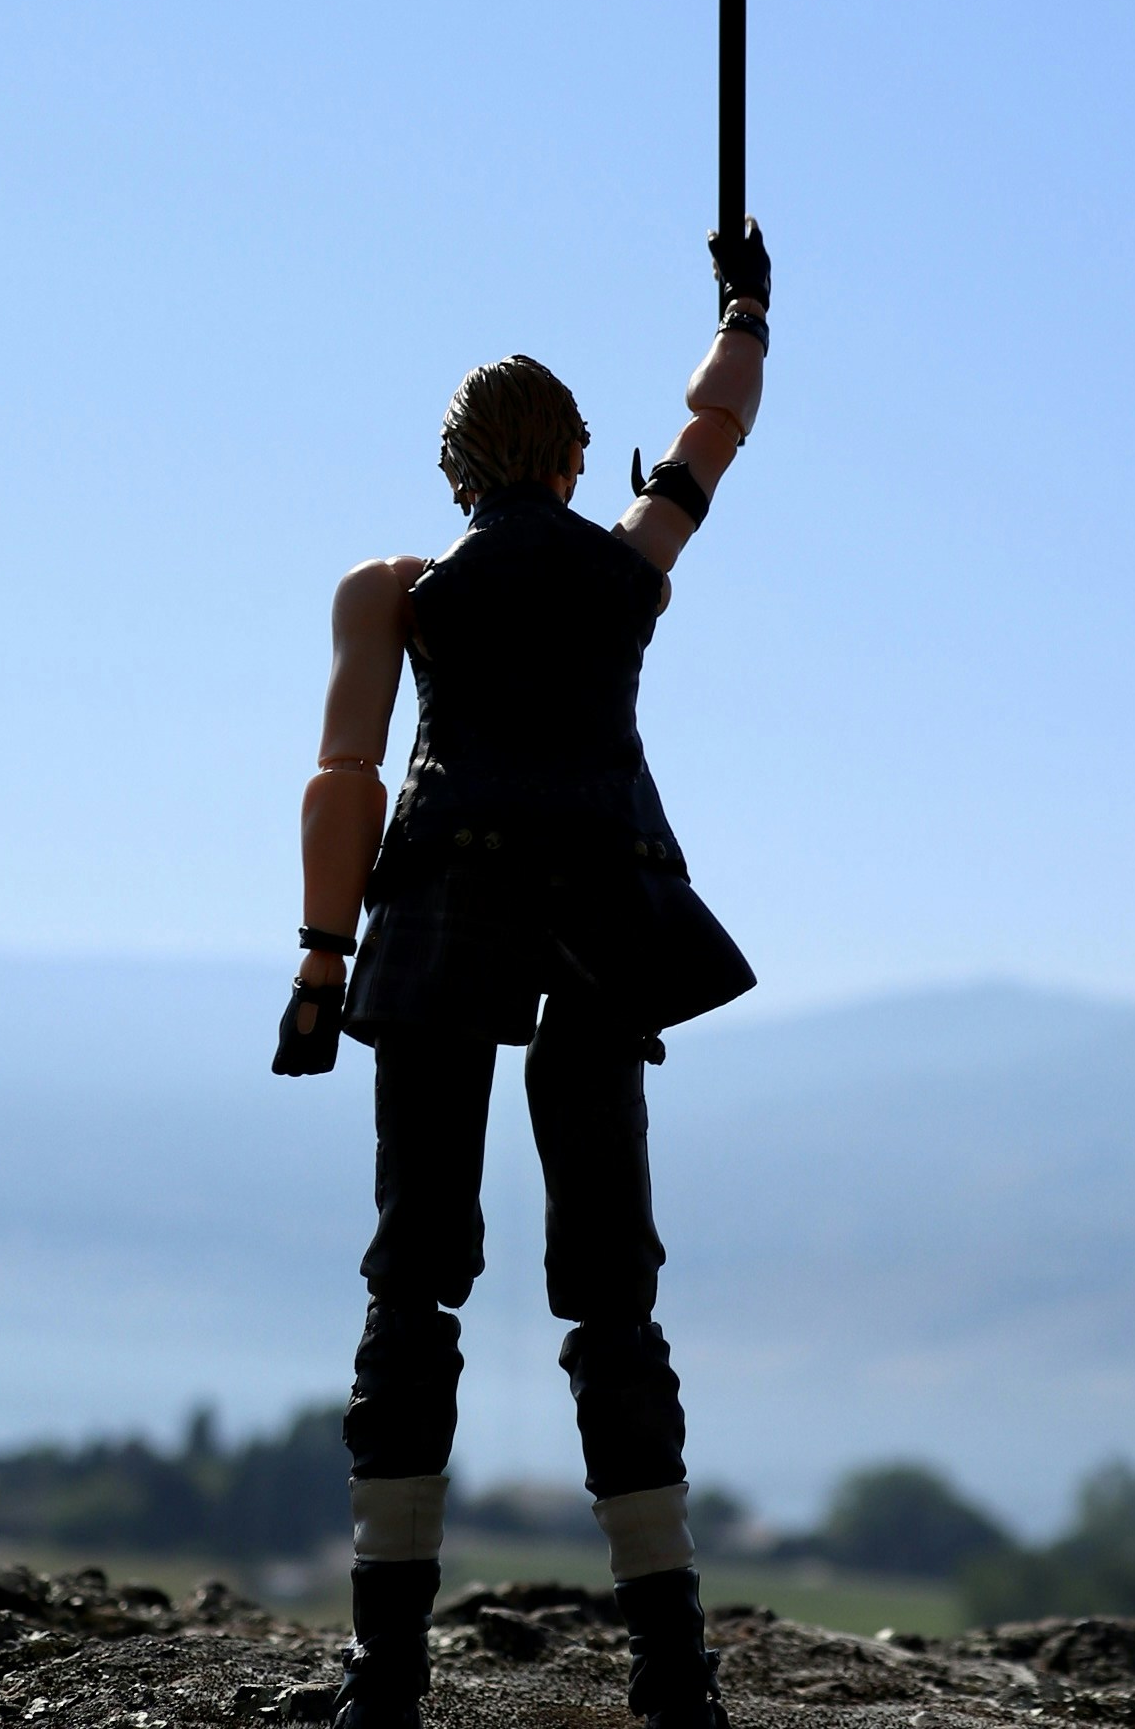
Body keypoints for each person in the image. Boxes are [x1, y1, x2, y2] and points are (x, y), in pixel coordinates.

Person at [272, 222, 775, 1729]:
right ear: (569, 459)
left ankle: (387, 1673)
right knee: (613, 1292)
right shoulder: (627, 566)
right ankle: (672, 1669)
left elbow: (346, 778)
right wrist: (747, 306)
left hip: (440, 919)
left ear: (453, 469)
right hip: (604, 924)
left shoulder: (399, 589)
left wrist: (320, 960)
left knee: (413, 1275)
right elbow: (714, 427)